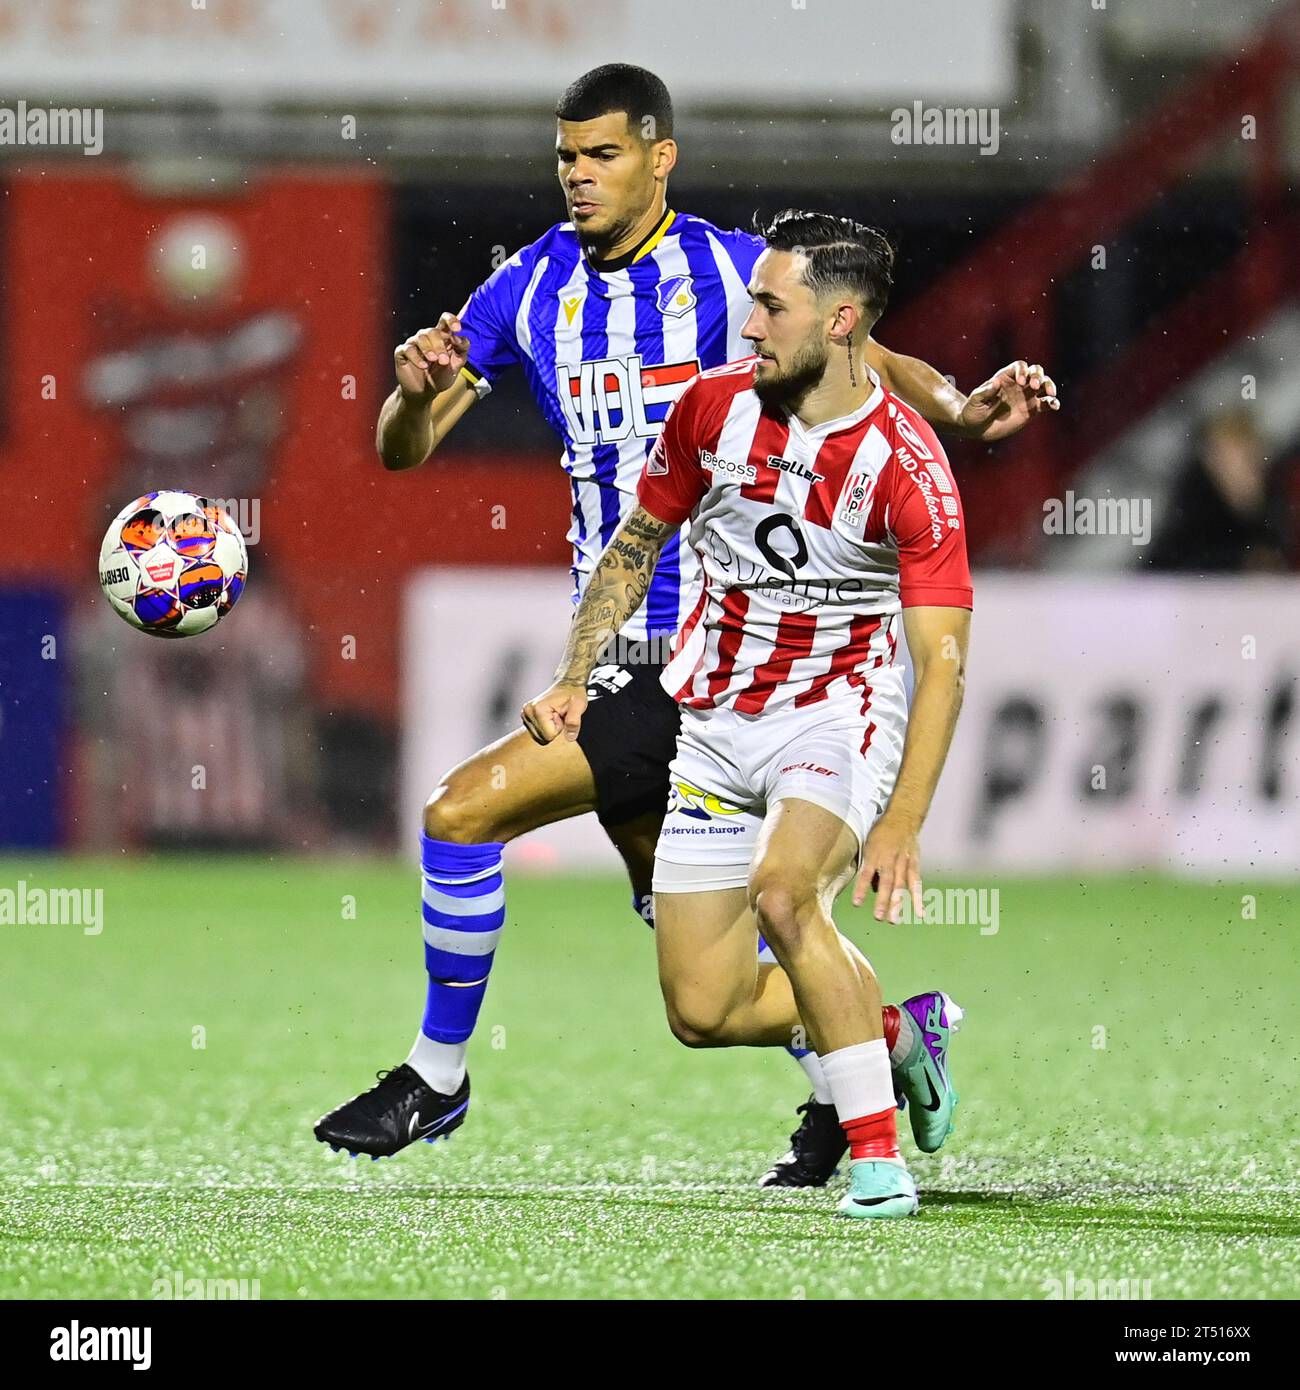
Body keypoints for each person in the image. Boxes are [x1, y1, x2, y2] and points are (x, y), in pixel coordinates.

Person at [315, 64, 1057, 1185]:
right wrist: (415, 390)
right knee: (706, 981)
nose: (577, 175)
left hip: (704, 650)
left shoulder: (720, 269)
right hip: (615, 647)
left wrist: (953, 405)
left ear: (659, 157)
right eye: (565, 156)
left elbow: (850, 346)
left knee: (461, 813)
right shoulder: (524, 287)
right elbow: (399, 448)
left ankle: (436, 1075)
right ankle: (873, 1052)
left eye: (602, 154)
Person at [523, 209, 972, 1219]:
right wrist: (573, 673)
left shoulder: (906, 467)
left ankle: (875, 1160)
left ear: (842, 319)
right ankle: (902, 1033)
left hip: (835, 713)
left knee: (783, 894)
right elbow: (635, 544)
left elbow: (940, 662)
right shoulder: (709, 409)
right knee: (702, 1008)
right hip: (713, 720)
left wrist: (899, 821)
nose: (750, 322)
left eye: (771, 305)